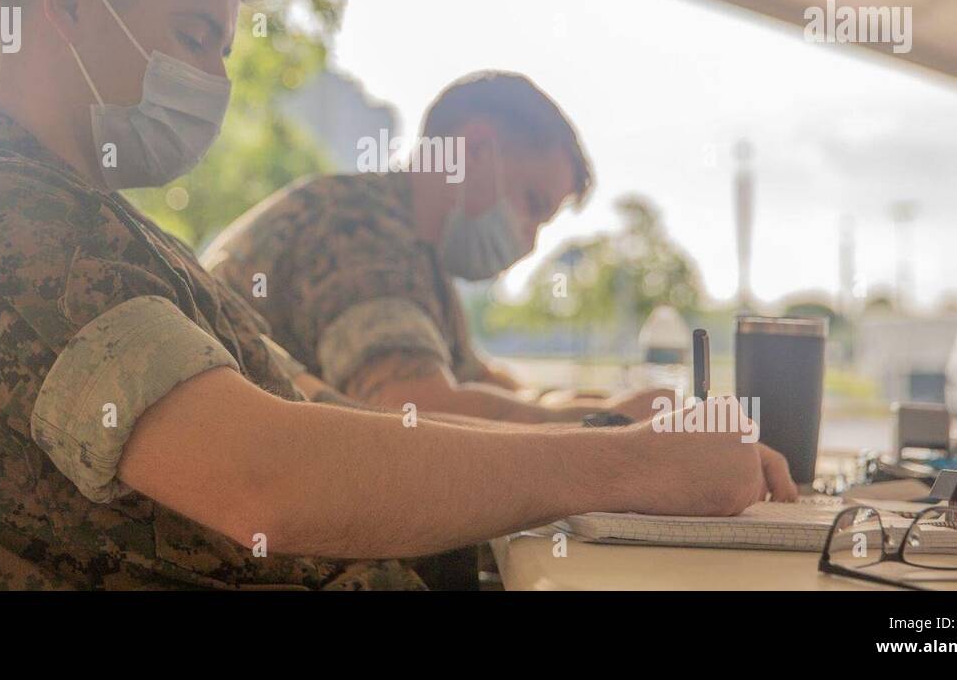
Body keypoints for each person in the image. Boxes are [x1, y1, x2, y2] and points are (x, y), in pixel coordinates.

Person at [0, 0, 795, 591]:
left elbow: (334, 418)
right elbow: (265, 479)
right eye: (192, 36)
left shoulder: (95, 228)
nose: (214, 84)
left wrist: (605, 442)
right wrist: (623, 463)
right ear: (67, 4)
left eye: (222, 50)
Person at [205, 71, 662, 423]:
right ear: (476, 149)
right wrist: (614, 421)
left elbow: (483, 385)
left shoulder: (421, 258)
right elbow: (415, 411)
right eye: (532, 205)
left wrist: (608, 404)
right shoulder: (354, 224)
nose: (529, 241)